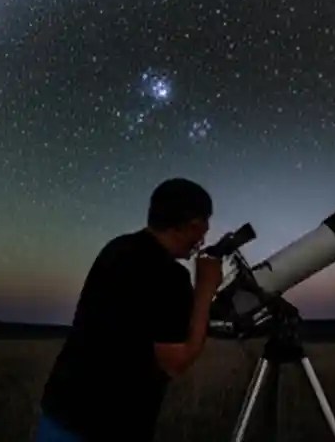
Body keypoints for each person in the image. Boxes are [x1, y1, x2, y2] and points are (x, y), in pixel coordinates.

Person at [35, 178, 226, 442]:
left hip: (62, 409)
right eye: (203, 226)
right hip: (112, 425)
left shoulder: (117, 248)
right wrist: (205, 289)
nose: (203, 238)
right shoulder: (170, 277)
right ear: (192, 224)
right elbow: (176, 361)